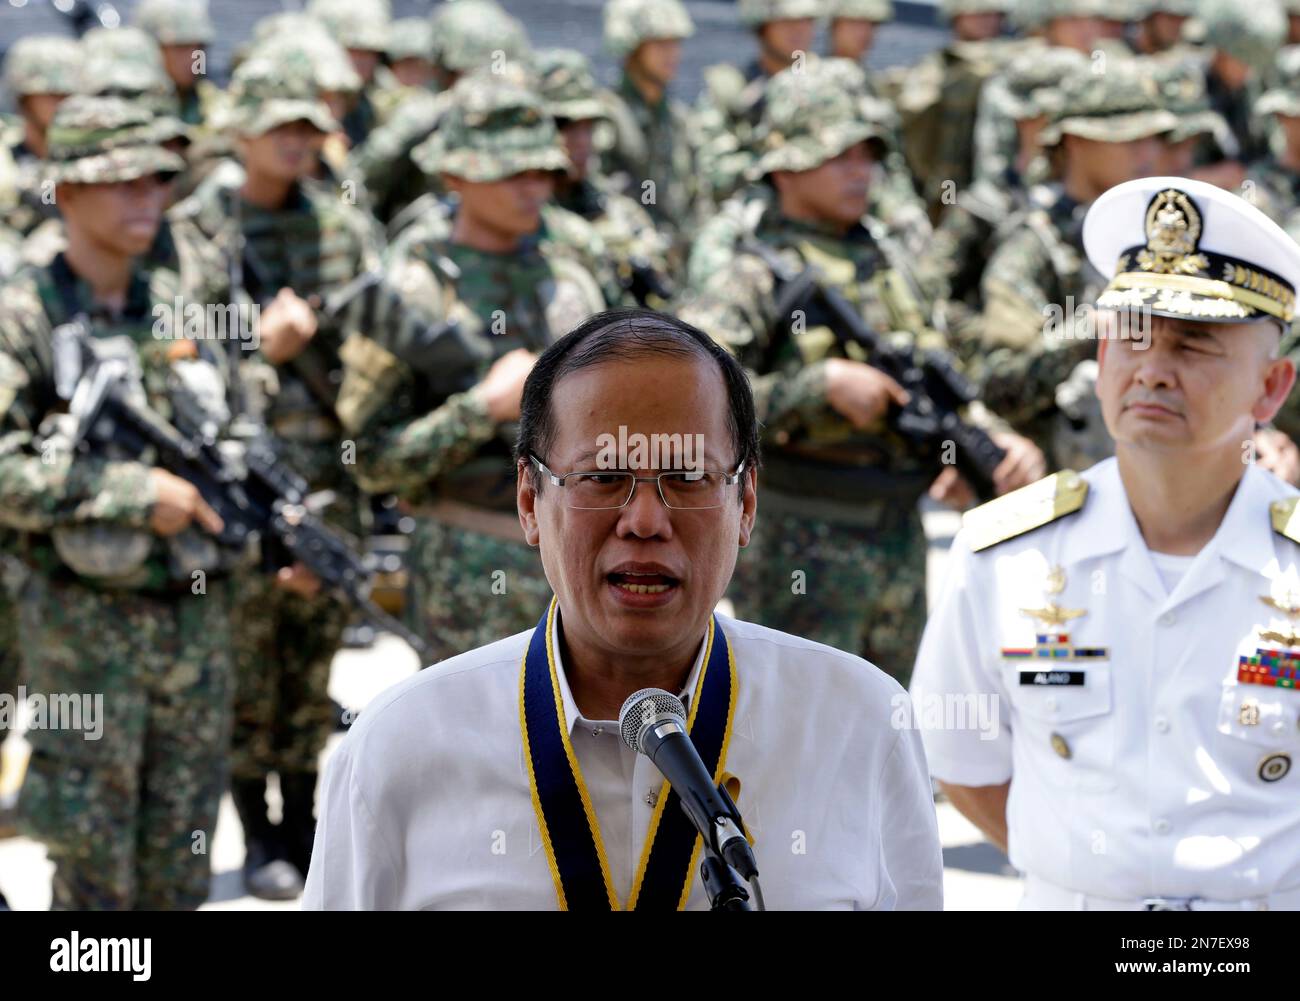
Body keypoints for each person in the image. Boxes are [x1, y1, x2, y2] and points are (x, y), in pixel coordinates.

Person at [303, 308, 944, 910]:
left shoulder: (859, 723)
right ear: (530, 501)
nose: (644, 520)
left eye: (689, 478)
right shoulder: (399, 746)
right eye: (603, 478)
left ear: (746, 501)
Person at [911, 175, 1300, 910]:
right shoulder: (1007, 555)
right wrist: (1094, 878)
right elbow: (959, 761)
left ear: (1272, 387)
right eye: (1134, 335)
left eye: (1194, 342)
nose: (1153, 367)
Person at [679, 61, 1045, 685]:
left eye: (868, 154)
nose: (860, 172)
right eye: (839, 156)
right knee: (795, 738)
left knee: (889, 729)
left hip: (897, 532)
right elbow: (691, 402)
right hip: (804, 536)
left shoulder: (886, 257)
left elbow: (939, 367)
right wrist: (817, 389)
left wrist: (986, 440)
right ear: (787, 163)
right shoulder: (751, 268)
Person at [0, 96, 238, 909]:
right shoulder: (23, 312)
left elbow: (233, 423)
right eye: (121, 182)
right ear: (64, 193)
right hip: (82, 634)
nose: (146, 199)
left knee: (180, 865)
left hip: (195, 624)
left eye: (156, 182)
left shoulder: (179, 300)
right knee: (95, 876)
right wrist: (134, 492)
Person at [170, 49, 381, 900]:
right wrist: (264, 343)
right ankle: (258, 831)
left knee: (312, 658)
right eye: (279, 126)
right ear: (241, 131)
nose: (297, 142)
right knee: (246, 658)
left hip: (329, 471)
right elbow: (179, 362)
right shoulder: (193, 229)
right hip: (237, 475)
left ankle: (303, 818)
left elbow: (375, 340)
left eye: (309, 126)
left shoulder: (337, 226)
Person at [336, 71, 609, 661]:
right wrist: (479, 409)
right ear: (455, 175)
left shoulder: (575, 276)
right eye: (510, 172)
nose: (532, 187)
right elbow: (370, 460)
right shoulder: (414, 290)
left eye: (541, 170)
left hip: (581, 564)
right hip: (466, 565)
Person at [600, 0, 703, 254]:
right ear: (631, 48)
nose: (672, 54)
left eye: (675, 43)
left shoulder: (680, 121)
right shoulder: (607, 117)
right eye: (660, 44)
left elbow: (697, 199)